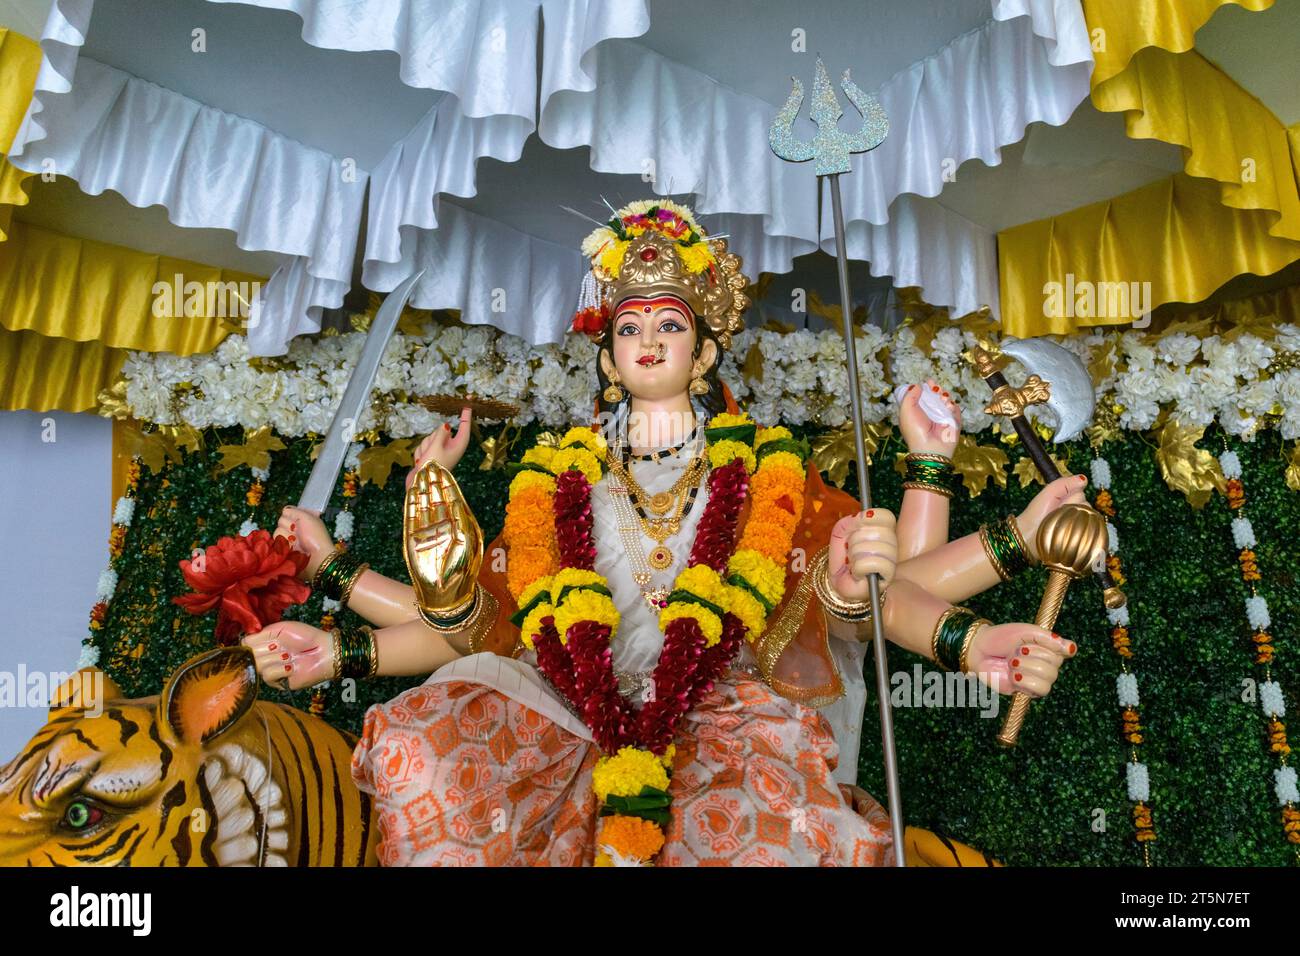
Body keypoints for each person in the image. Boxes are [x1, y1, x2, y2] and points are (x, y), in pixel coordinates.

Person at [244, 198, 1085, 866]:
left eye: (670, 324)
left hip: (723, 711)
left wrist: (977, 632)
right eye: (630, 328)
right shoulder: (553, 479)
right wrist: (335, 622)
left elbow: (871, 591)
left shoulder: (764, 472)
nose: (649, 341)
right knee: (421, 751)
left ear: (706, 351)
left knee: (764, 838)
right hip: (567, 704)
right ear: (607, 357)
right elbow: (481, 629)